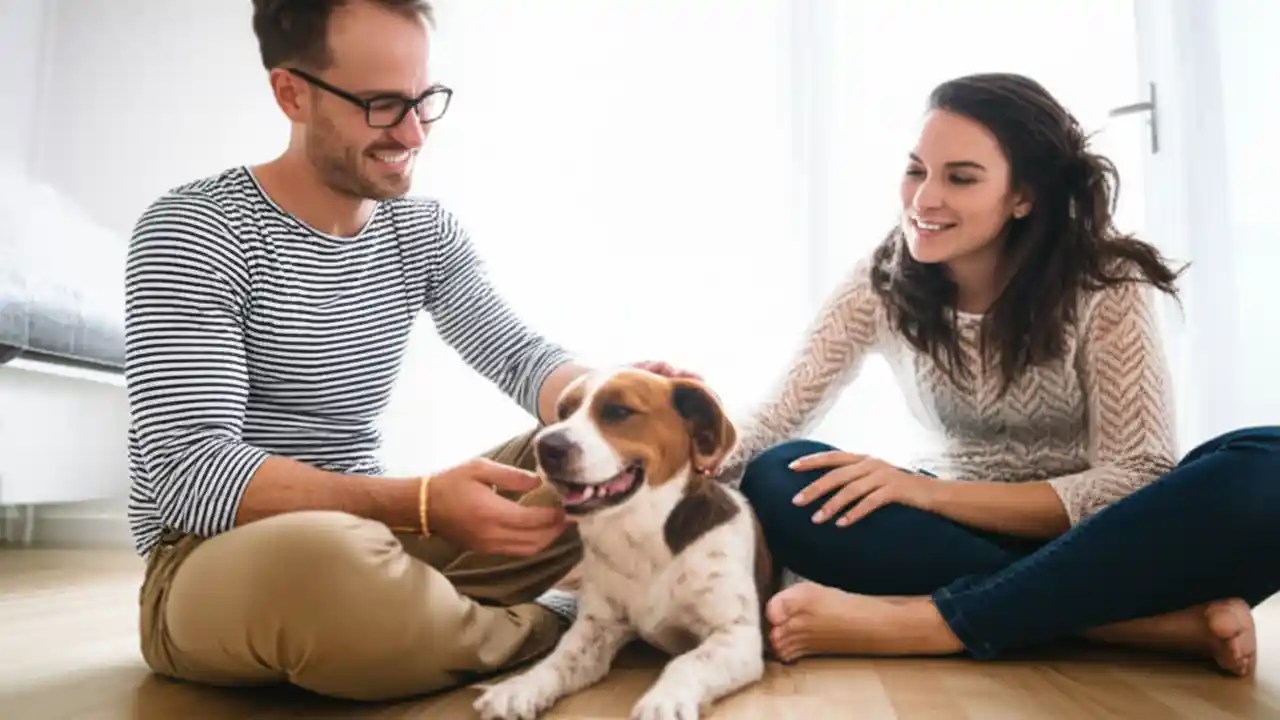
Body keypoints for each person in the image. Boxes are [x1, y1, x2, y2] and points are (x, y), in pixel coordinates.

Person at [125, 0, 695, 702]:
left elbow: (519, 356)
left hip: (387, 538)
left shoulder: (421, 231)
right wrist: (421, 503)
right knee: (334, 567)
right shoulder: (195, 231)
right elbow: (190, 472)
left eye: (424, 100)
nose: (415, 131)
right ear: (290, 92)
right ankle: (562, 617)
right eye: (382, 105)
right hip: (220, 559)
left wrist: (620, 399)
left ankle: (435, 614)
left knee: (640, 458)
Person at [718, 72, 1279, 677]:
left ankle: (926, 624)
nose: (923, 199)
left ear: (1023, 197)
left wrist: (928, 491)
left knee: (1268, 465)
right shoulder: (880, 282)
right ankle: (1135, 626)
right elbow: (775, 420)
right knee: (783, 474)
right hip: (950, 542)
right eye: (916, 170)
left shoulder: (1105, 283)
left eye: (960, 177)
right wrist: (673, 438)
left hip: (1111, 542)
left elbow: (1134, 478)